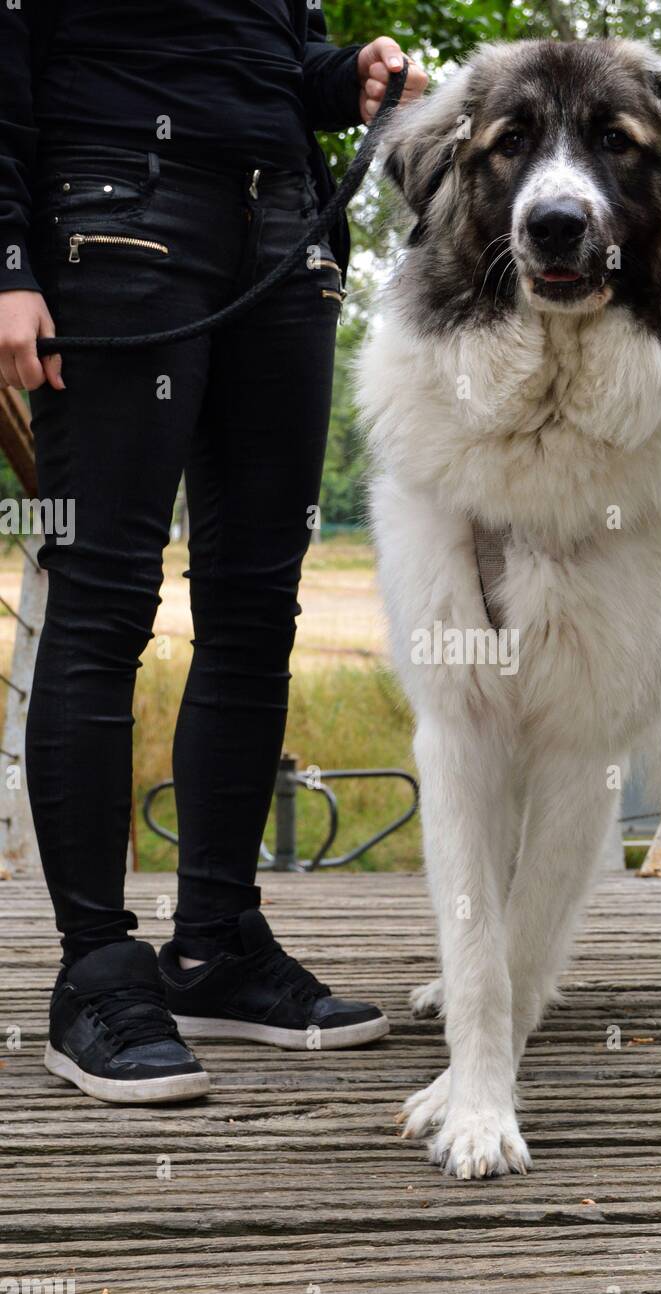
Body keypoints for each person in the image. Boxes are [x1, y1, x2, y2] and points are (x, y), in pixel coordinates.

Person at [0, 2, 427, 1103]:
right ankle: (97, 975)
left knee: (254, 607)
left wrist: (350, 76)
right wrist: (5, 259)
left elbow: (273, 59)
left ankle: (215, 948)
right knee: (100, 599)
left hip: (282, 233)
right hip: (115, 217)